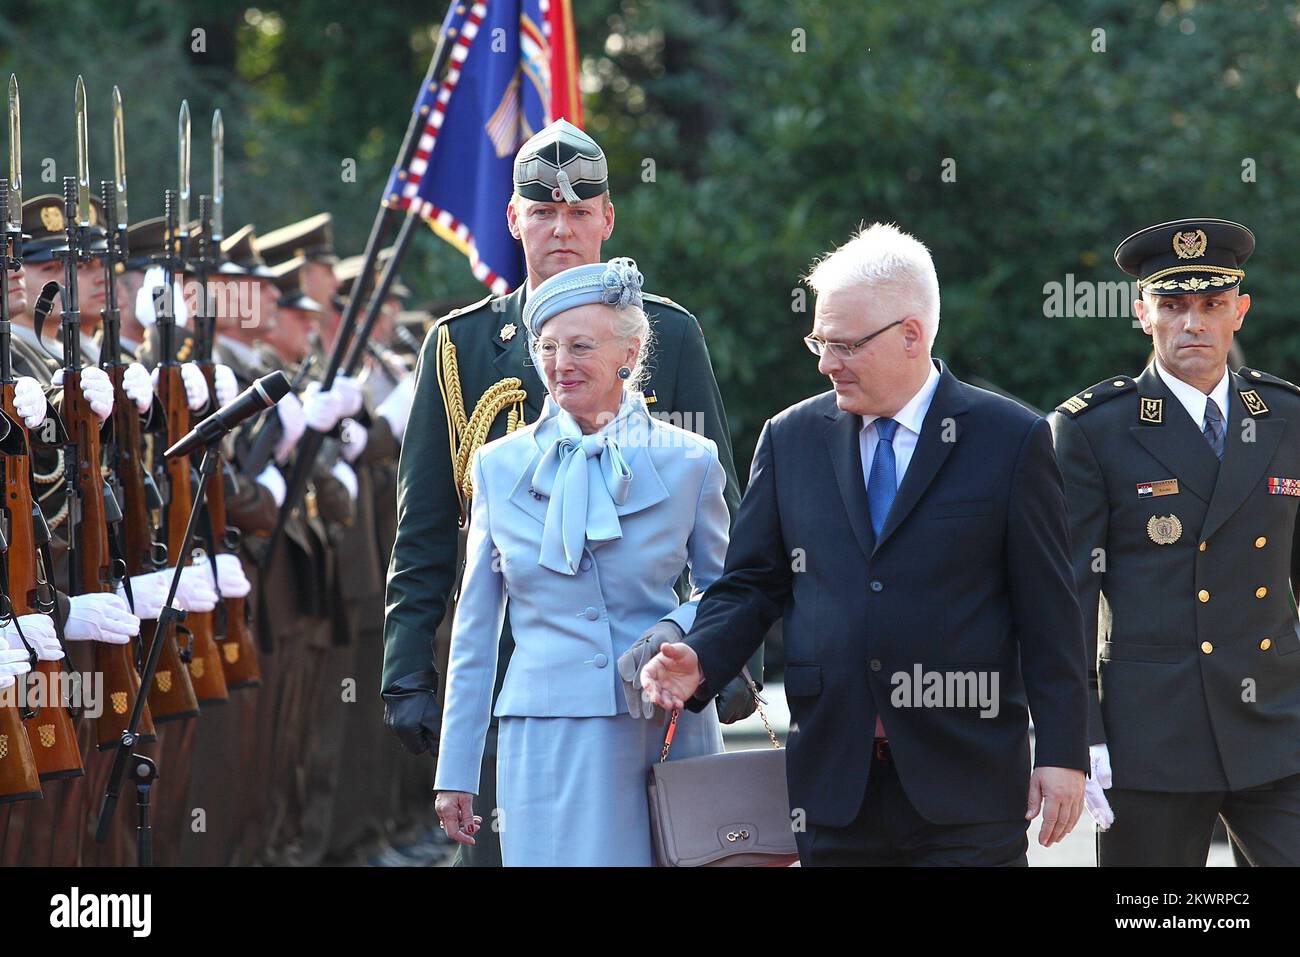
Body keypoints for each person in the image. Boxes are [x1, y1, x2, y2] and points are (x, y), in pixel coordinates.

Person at [640, 223, 1090, 866]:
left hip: (967, 786)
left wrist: (1063, 753)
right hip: (834, 786)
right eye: (819, 342)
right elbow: (752, 582)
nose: (826, 363)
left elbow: (1050, 611)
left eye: (845, 344)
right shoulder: (791, 437)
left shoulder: (1008, 440)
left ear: (913, 334)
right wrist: (704, 656)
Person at [382, 118, 756, 867]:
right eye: (544, 212)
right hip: (512, 675)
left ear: (607, 219)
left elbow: (722, 523)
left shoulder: (668, 334)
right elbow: (425, 525)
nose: (562, 229)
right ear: (515, 218)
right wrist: (405, 672)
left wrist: (722, 653)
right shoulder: (458, 344)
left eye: (580, 212)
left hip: (649, 673)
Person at [433, 258, 726, 865]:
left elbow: (732, 594)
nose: (560, 364)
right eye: (548, 346)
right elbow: (476, 629)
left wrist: (679, 630)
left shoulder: (690, 461)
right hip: (546, 739)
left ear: (631, 350)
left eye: (581, 346)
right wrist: (456, 768)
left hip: (662, 730)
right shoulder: (498, 465)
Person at [1049, 218, 1300, 866]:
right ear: (1142, 314)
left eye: (1212, 305)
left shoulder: (1286, 417)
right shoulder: (1096, 429)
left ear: (1239, 311)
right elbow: (1070, 597)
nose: (1194, 323)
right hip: (1151, 737)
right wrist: (1078, 732)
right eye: (1174, 305)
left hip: (1276, 723)